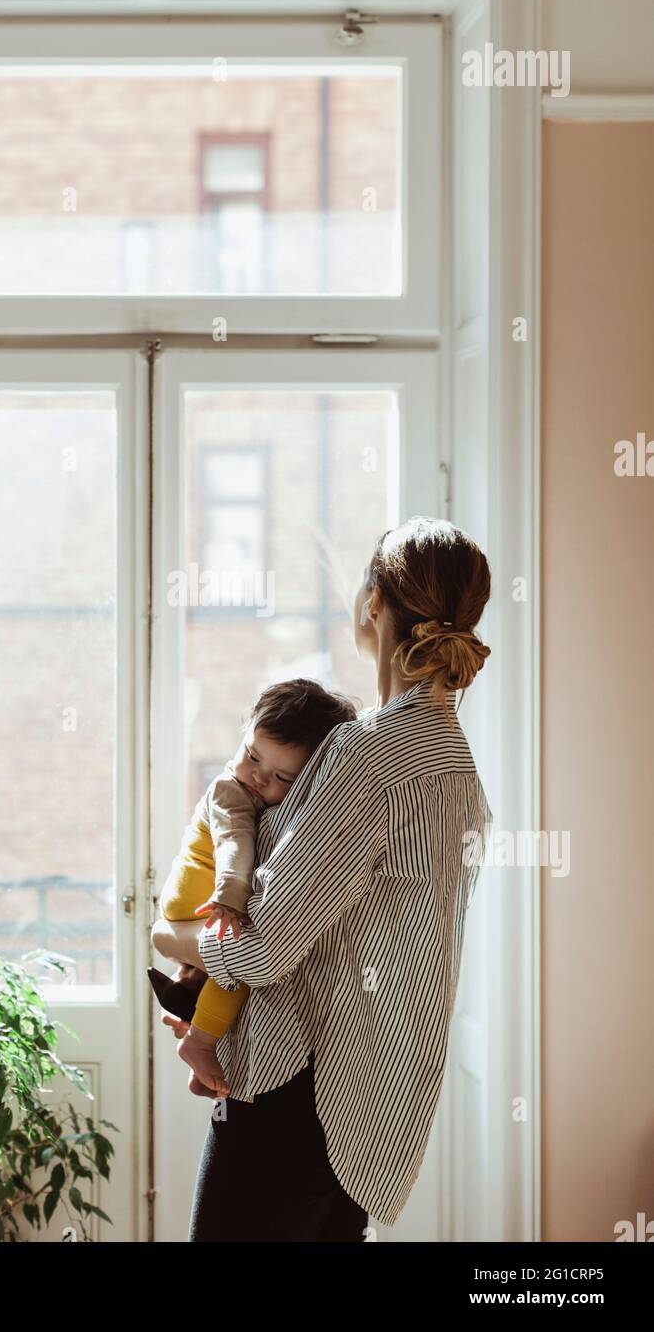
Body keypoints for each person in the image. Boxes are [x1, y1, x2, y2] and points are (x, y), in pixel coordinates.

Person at [150, 516, 494, 1241]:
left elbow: (261, 951)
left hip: (298, 1095)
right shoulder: (458, 767)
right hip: (374, 1101)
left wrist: (173, 938)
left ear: (374, 605)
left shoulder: (368, 753)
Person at [147, 679, 358, 1096]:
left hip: (196, 899)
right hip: (202, 897)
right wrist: (229, 895)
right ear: (244, 732)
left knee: (219, 971)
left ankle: (197, 1038)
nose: (258, 778)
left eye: (281, 776)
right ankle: (200, 1044)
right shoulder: (230, 791)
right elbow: (233, 843)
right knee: (240, 964)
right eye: (251, 756)